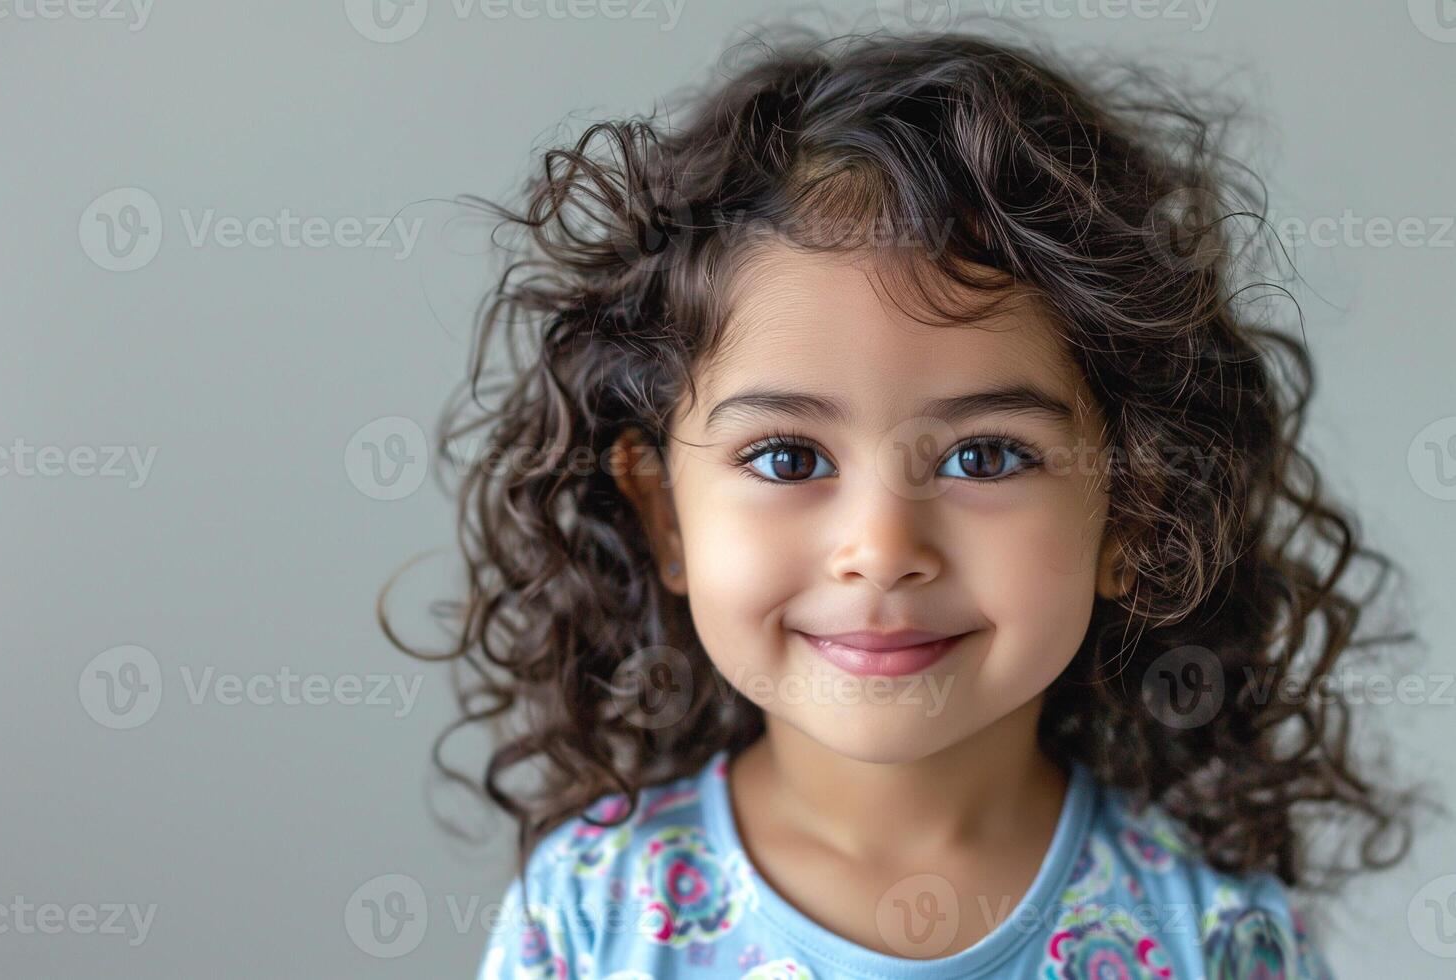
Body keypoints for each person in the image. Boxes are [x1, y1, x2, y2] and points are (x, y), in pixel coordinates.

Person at [385, 23, 1415, 979]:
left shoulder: (1216, 926)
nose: (882, 548)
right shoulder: (589, 910)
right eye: (788, 458)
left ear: (1134, 511)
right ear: (664, 516)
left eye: (985, 457)